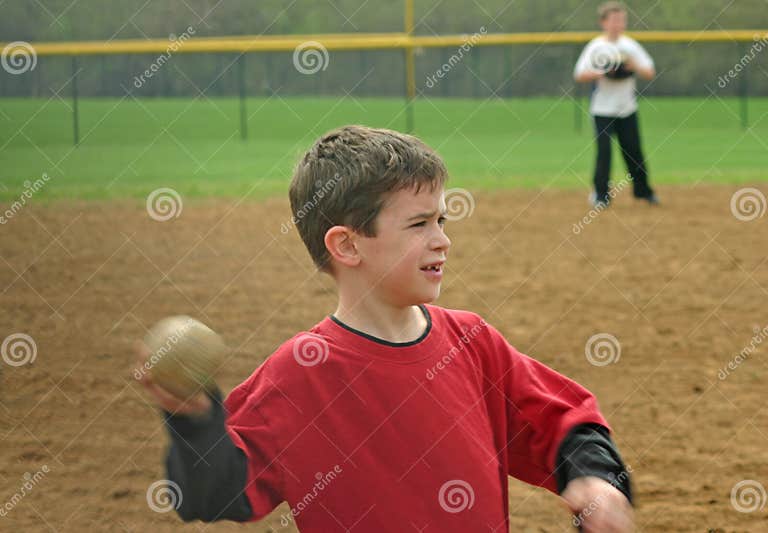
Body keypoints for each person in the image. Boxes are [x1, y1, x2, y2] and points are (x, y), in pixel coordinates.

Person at [135, 125, 634, 532]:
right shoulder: (301, 373)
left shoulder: (470, 342)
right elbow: (219, 494)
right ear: (347, 246)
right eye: (419, 224)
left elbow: (564, 421)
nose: (442, 240)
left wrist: (597, 480)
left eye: (442, 221)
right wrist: (195, 424)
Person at [574, 1, 658, 208]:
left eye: (621, 20)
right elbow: (579, 74)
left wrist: (632, 65)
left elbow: (649, 72)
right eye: (614, 20)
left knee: (633, 151)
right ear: (603, 22)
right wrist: (603, 72)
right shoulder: (596, 47)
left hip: (627, 108)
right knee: (604, 153)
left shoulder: (630, 46)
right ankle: (601, 195)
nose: (618, 24)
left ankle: (644, 192)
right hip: (602, 110)